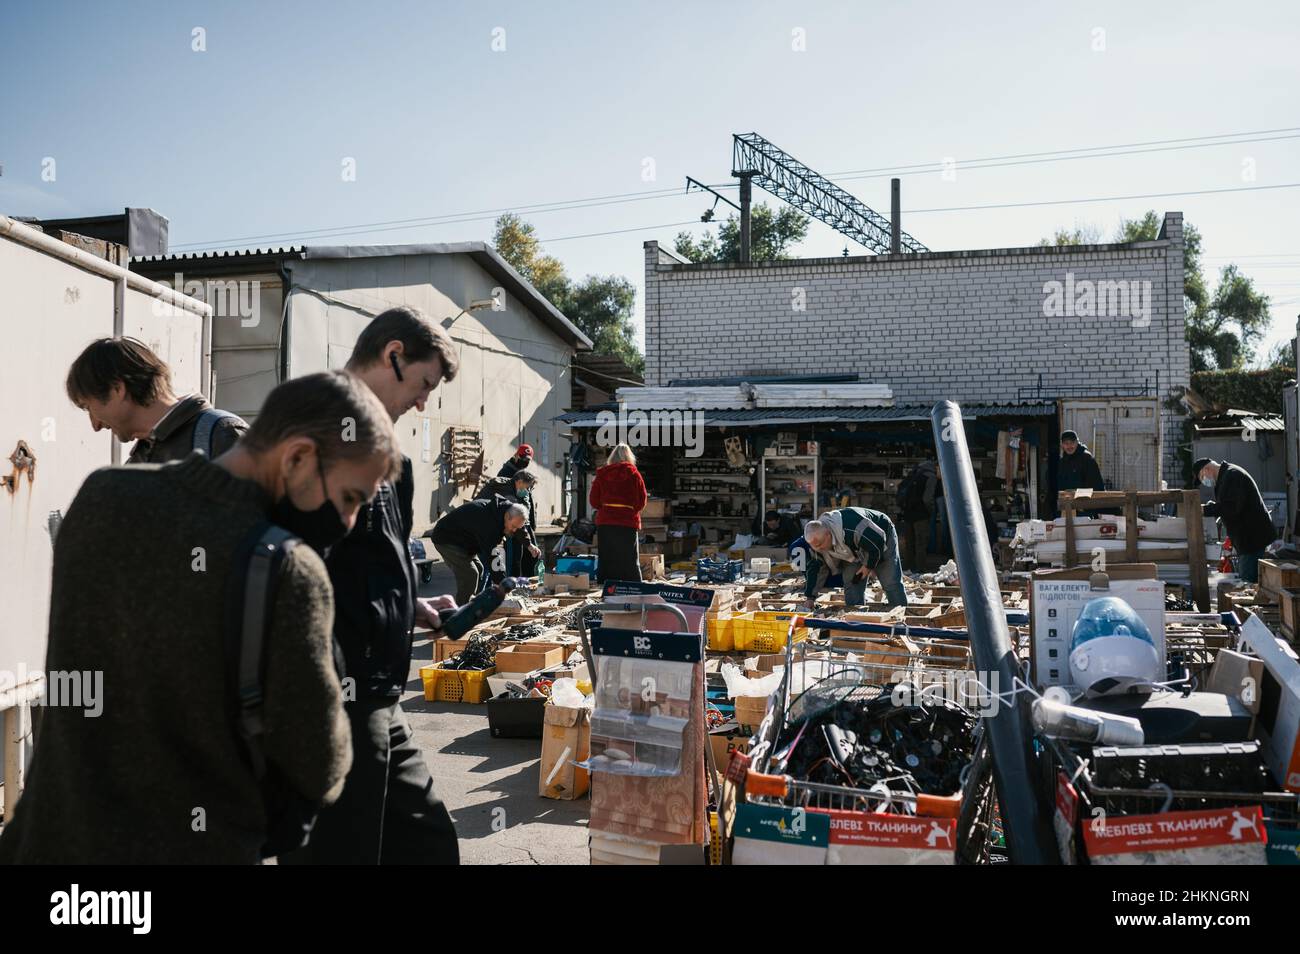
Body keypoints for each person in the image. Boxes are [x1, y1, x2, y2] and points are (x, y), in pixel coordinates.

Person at [0, 371, 400, 864]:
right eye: (350, 499)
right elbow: (319, 763)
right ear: (297, 457)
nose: (348, 523)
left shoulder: (101, 498)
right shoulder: (287, 570)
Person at [278, 305, 462, 867]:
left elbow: (372, 561)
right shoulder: (316, 431)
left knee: (429, 845)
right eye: (425, 384)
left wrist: (411, 603)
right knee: (338, 852)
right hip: (332, 696)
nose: (424, 402)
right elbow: (292, 570)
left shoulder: (388, 454)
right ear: (393, 356)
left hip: (380, 690)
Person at [66, 336, 247, 462]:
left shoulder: (223, 435)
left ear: (117, 389)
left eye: (88, 407)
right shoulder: (141, 456)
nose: (95, 426)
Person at [801, 507, 907, 609]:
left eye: (820, 544)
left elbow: (877, 542)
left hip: (879, 537)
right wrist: (810, 597)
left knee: (890, 581)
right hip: (851, 550)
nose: (818, 549)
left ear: (828, 535)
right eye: (814, 546)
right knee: (852, 584)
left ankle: (900, 615)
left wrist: (868, 566)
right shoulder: (817, 543)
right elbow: (816, 570)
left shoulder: (853, 527)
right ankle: (856, 620)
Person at [429, 497, 530, 603]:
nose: (514, 530)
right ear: (508, 517)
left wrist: (529, 545)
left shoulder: (506, 510)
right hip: (447, 539)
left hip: (464, 540)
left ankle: (477, 604)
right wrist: (503, 586)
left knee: (480, 570)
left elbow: (520, 526)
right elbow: (494, 556)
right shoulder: (489, 523)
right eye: (513, 526)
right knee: (470, 574)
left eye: (516, 528)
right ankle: (462, 611)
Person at [1193, 457, 1277, 583]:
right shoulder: (1225, 477)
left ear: (1207, 469)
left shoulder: (1232, 475)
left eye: (1201, 477)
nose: (1203, 482)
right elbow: (1228, 504)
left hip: (1253, 538)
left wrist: (1206, 510)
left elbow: (1231, 507)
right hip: (1248, 538)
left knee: (1247, 582)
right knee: (1248, 579)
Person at [590, 443, 647, 584]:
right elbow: (642, 500)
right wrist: (631, 510)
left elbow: (593, 500)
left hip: (606, 520)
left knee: (607, 555)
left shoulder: (602, 474)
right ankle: (632, 583)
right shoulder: (634, 474)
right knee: (629, 556)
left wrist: (604, 508)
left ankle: (606, 583)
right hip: (627, 520)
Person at [475, 467, 541, 575]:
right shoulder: (508, 495)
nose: (528, 491)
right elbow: (517, 525)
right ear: (519, 482)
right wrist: (529, 545)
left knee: (489, 565)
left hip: (485, 527)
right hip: (484, 528)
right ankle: (494, 589)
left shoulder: (507, 485)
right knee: (489, 566)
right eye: (527, 487)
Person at [897, 457, 938, 571]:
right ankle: (921, 569)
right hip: (921, 514)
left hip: (907, 512)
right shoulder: (930, 477)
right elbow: (927, 499)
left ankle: (907, 568)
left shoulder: (914, 473)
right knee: (920, 542)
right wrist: (931, 511)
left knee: (909, 543)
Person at [1056, 430, 1106, 497]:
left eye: (1072, 442)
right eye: (1066, 443)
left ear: (1077, 442)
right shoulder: (1062, 462)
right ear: (1062, 445)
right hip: (1068, 503)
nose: (1069, 446)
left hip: (1087, 502)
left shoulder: (1087, 459)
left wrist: (1076, 493)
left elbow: (1096, 486)